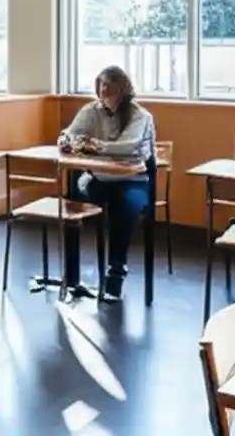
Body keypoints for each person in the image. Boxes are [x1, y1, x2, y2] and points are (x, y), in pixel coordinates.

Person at [58, 65, 156, 300]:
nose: (105, 91)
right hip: (99, 178)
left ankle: (116, 270)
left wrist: (92, 146)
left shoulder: (140, 116)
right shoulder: (90, 111)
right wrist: (66, 141)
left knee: (126, 205)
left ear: (124, 89)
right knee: (72, 200)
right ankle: (71, 275)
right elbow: (70, 134)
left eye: (111, 87)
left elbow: (127, 146)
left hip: (133, 180)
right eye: (102, 86)